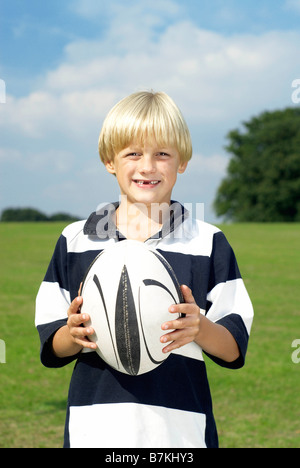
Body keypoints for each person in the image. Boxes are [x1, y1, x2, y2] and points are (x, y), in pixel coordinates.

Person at [35, 91, 254, 448]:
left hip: (180, 434)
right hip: (95, 431)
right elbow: (51, 344)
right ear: (110, 160)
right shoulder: (75, 240)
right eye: (133, 153)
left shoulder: (208, 242)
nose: (148, 166)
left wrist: (200, 327)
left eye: (162, 154)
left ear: (182, 162)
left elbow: (232, 349)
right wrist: (72, 334)